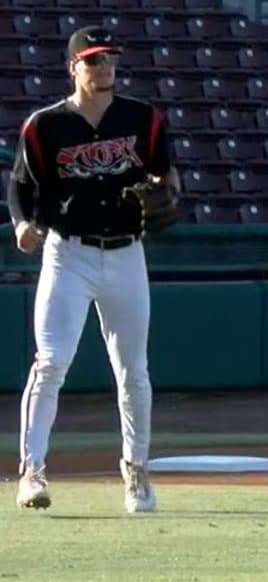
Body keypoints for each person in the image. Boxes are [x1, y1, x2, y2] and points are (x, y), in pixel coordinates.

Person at [10, 26, 176, 514]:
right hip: (69, 253)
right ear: (73, 67)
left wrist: (168, 193)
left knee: (134, 371)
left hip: (126, 253)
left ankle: (136, 471)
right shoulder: (45, 125)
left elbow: (166, 173)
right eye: (93, 60)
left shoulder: (142, 118)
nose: (104, 67)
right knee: (51, 363)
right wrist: (21, 224)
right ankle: (32, 471)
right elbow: (20, 185)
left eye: (109, 59)